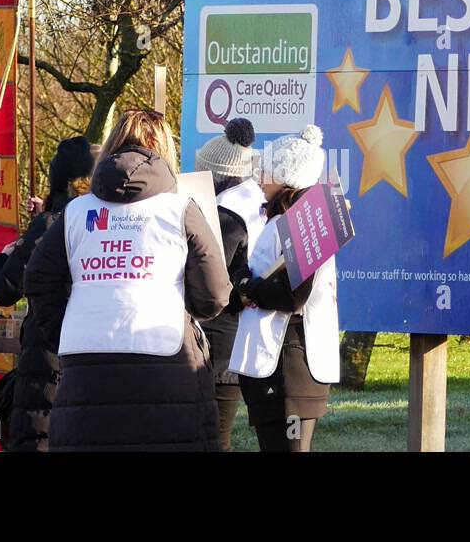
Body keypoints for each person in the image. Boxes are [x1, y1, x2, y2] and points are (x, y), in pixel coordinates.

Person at [24, 110, 231, 451]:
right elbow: (214, 295)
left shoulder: (75, 212)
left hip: (84, 371)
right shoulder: (180, 209)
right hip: (168, 366)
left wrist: (71, 325)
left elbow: (38, 279)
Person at [229, 125, 340, 452]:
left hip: (290, 367)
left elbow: (292, 295)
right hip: (270, 369)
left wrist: (252, 289)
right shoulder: (278, 222)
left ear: (288, 178)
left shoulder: (305, 223)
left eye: (267, 171)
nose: (260, 178)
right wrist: (242, 287)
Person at [0, 136, 95, 452]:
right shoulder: (102, 222)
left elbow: (6, 287)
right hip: (92, 346)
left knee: (38, 437)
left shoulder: (50, 224)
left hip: (48, 347)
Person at [194, 118, 265, 451]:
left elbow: (210, 276)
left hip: (220, 339)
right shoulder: (256, 202)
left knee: (212, 436)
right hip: (244, 337)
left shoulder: (226, 216)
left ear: (214, 176)